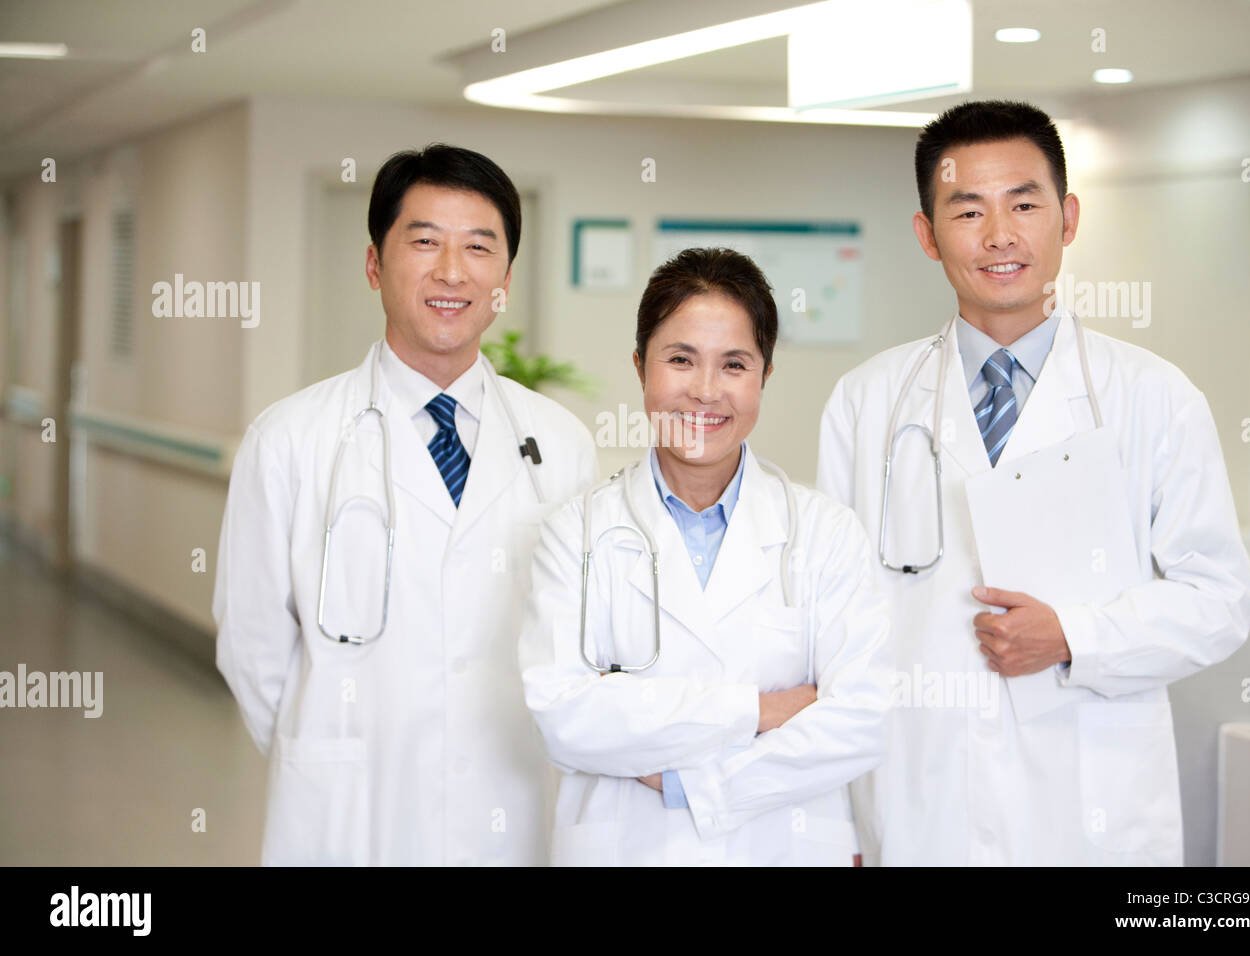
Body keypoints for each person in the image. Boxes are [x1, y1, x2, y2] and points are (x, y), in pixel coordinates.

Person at [817, 100, 1250, 865]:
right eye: (968, 210)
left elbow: (1222, 598)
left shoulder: (1153, 397)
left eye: (1024, 204)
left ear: (1069, 217)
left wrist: (1075, 637)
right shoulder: (867, 401)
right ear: (927, 234)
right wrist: (836, 821)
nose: (1000, 236)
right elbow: (829, 630)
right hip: (919, 805)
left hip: (1091, 809)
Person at [214, 144, 597, 865]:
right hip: (350, 813)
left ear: (505, 278)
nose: (452, 272)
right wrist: (328, 744)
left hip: (508, 804)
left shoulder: (560, 443)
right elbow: (252, 648)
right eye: (424, 242)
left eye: (479, 248)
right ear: (374, 265)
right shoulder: (290, 439)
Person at [519, 247, 892, 866]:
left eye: (735, 364)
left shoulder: (825, 533)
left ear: (765, 375)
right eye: (681, 359)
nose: (706, 391)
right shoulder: (578, 533)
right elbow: (565, 717)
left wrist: (691, 782)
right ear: (641, 367)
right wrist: (765, 709)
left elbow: (860, 722)